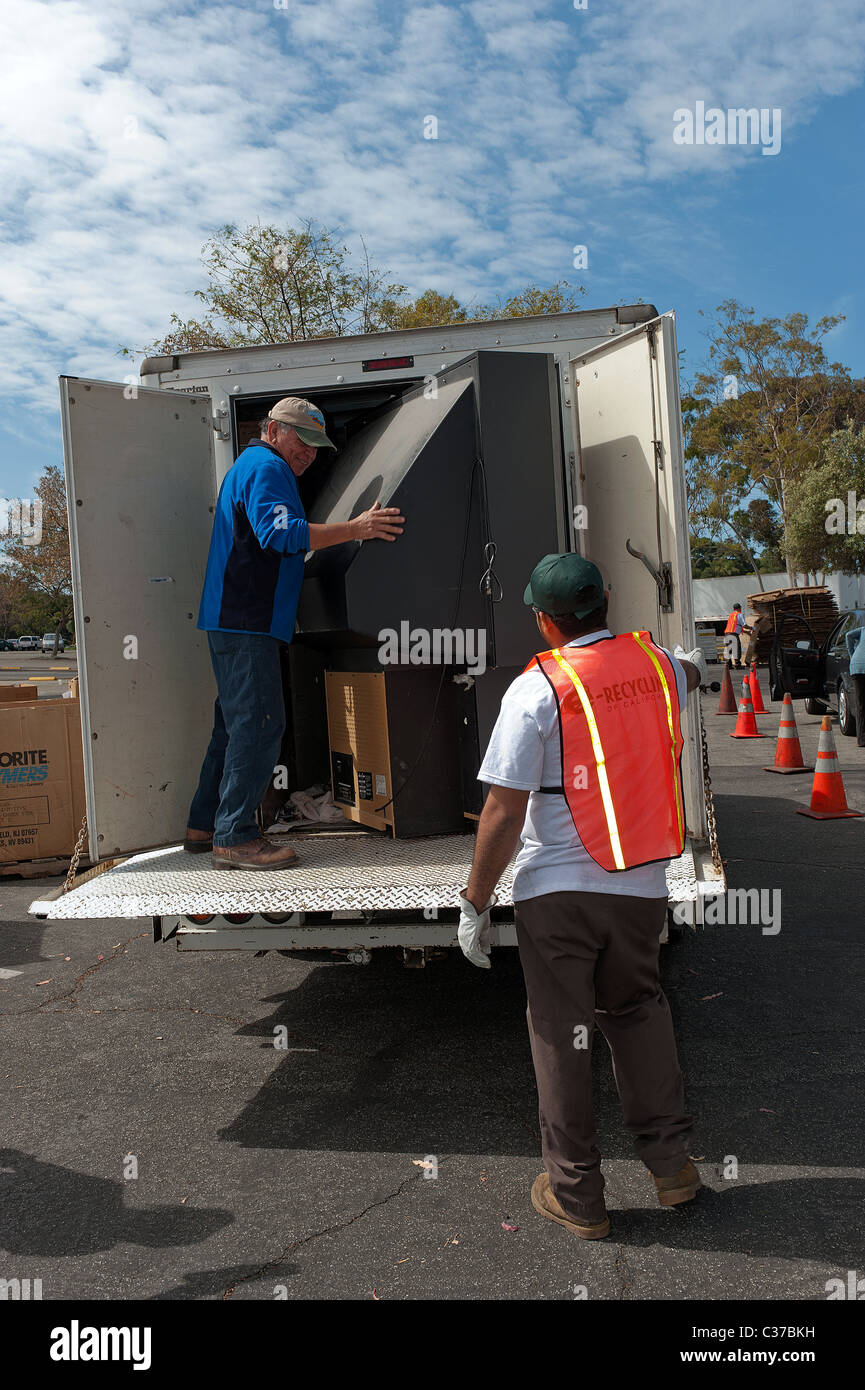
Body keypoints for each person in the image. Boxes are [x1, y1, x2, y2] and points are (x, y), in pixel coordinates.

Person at [457, 552, 707, 1239]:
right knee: (638, 1013)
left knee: (561, 1036)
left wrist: (475, 900)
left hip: (557, 894)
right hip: (640, 887)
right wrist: (686, 660)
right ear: (606, 603)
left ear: (544, 622)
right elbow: (691, 670)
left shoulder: (535, 689)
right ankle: (671, 1169)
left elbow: (503, 812)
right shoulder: (658, 669)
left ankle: (577, 1197)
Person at [185, 396, 405, 870]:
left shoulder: (250, 464)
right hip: (247, 622)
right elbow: (281, 535)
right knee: (261, 727)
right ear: (273, 430)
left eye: (316, 445)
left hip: (233, 621)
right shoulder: (267, 469)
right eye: (301, 439)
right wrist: (357, 528)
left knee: (233, 728)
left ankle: (204, 826)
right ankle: (236, 837)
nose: (308, 452)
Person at [845, 620, 865, 749]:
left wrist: (852, 654)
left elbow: (848, 635)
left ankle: (862, 740)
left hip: (856, 666)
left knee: (861, 704)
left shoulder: (863, 629)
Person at [724, 603, 745, 667]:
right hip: (734, 634)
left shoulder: (731, 615)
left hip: (727, 634)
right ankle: (737, 664)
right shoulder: (739, 615)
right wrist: (752, 628)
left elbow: (734, 625)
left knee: (729, 649)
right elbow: (744, 625)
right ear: (739, 608)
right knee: (736, 649)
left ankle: (728, 665)